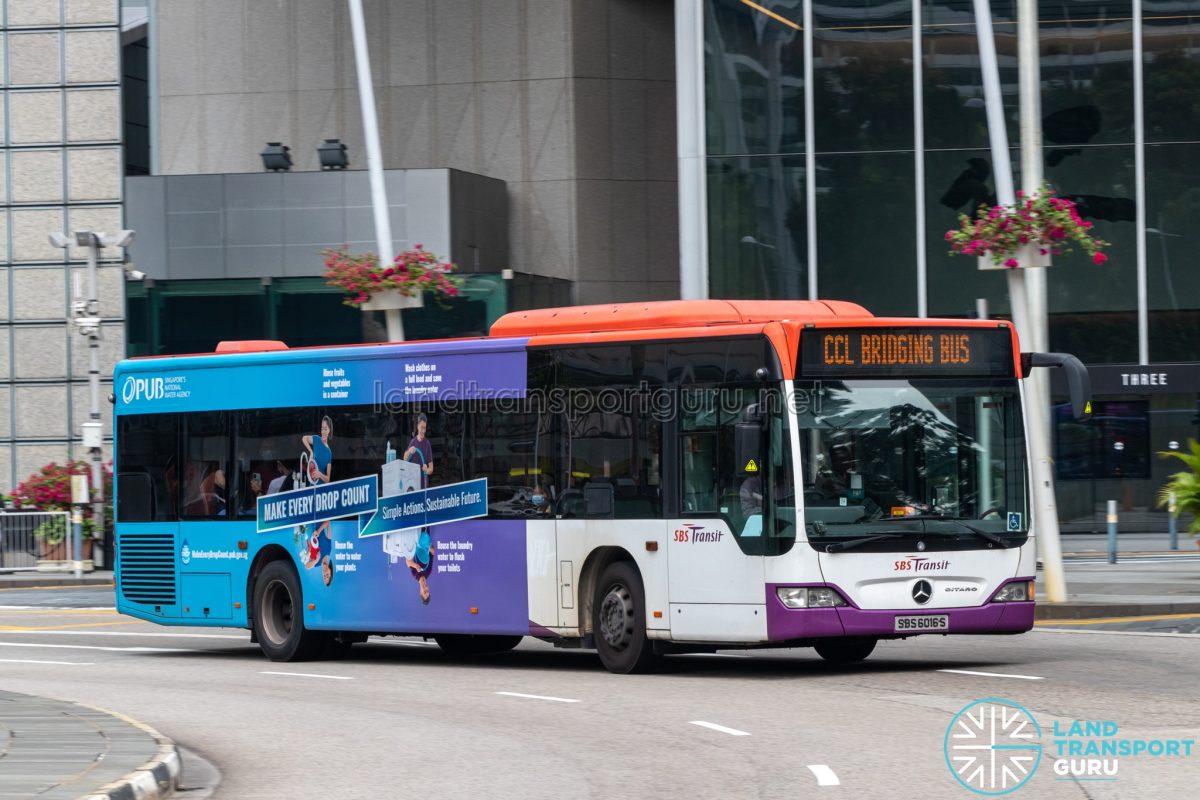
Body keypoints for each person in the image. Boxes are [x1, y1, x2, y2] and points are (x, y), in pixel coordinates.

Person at [403, 413, 434, 487]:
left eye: (425, 428)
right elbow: (405, 459)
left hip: (424, 484)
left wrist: (427, 470)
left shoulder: (427, 444)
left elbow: (431, 468)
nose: (423, 431)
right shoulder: (413, 442)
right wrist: (409, 451)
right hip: (414, 484)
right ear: (417, 427)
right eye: (421, 427)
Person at [406, 528, 435, 605]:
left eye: (424, 591)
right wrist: (429, 547)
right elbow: (432, 553)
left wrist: (415, 565)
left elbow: (407, 560)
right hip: (425, 535)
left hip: (415, 536)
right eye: (427, 591)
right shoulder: (428, 572)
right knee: (426, 518)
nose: (426, 588)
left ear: (420, 592)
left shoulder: (415, 574)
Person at [303, 416, 333, 485]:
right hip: (312, 485)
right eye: (322, 429)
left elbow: (328, 479)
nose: (323, 431)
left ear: (329, 430)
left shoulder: (329, 452)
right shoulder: (317, 440)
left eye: (325, 429)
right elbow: (304, 438)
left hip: (321, 488)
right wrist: (311, 451)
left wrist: (320, 475)